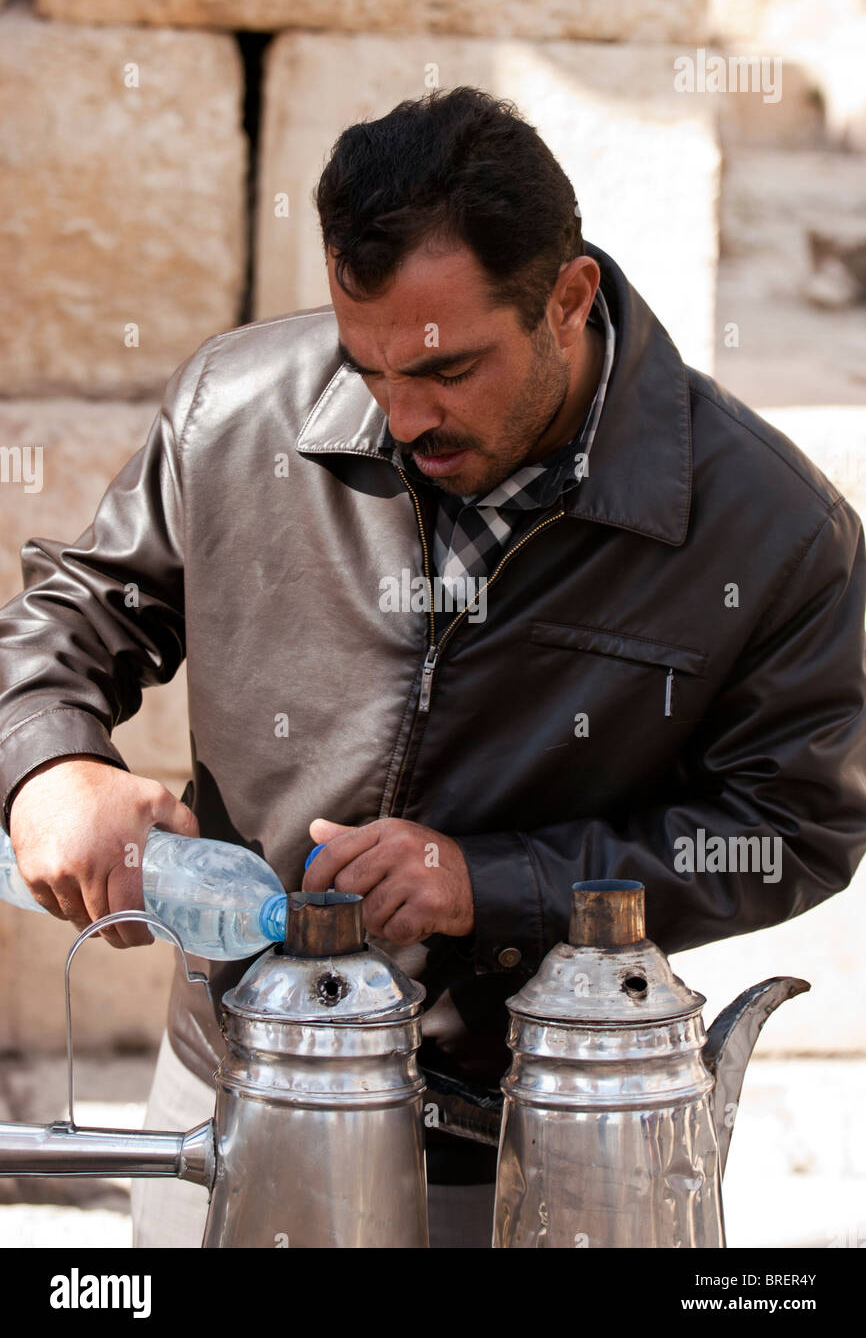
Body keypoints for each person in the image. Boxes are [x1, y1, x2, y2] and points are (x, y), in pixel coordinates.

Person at [2, 86, 865, 1249]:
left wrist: (488, 882)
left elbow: (792, 826)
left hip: (528, 1147)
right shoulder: (233, 406)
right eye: (366, 369)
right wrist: (47, 761)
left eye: (445, 369)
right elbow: (75, 610)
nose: (402, 417)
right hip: (228, 1090)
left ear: (568, 300)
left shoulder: (772, 529)